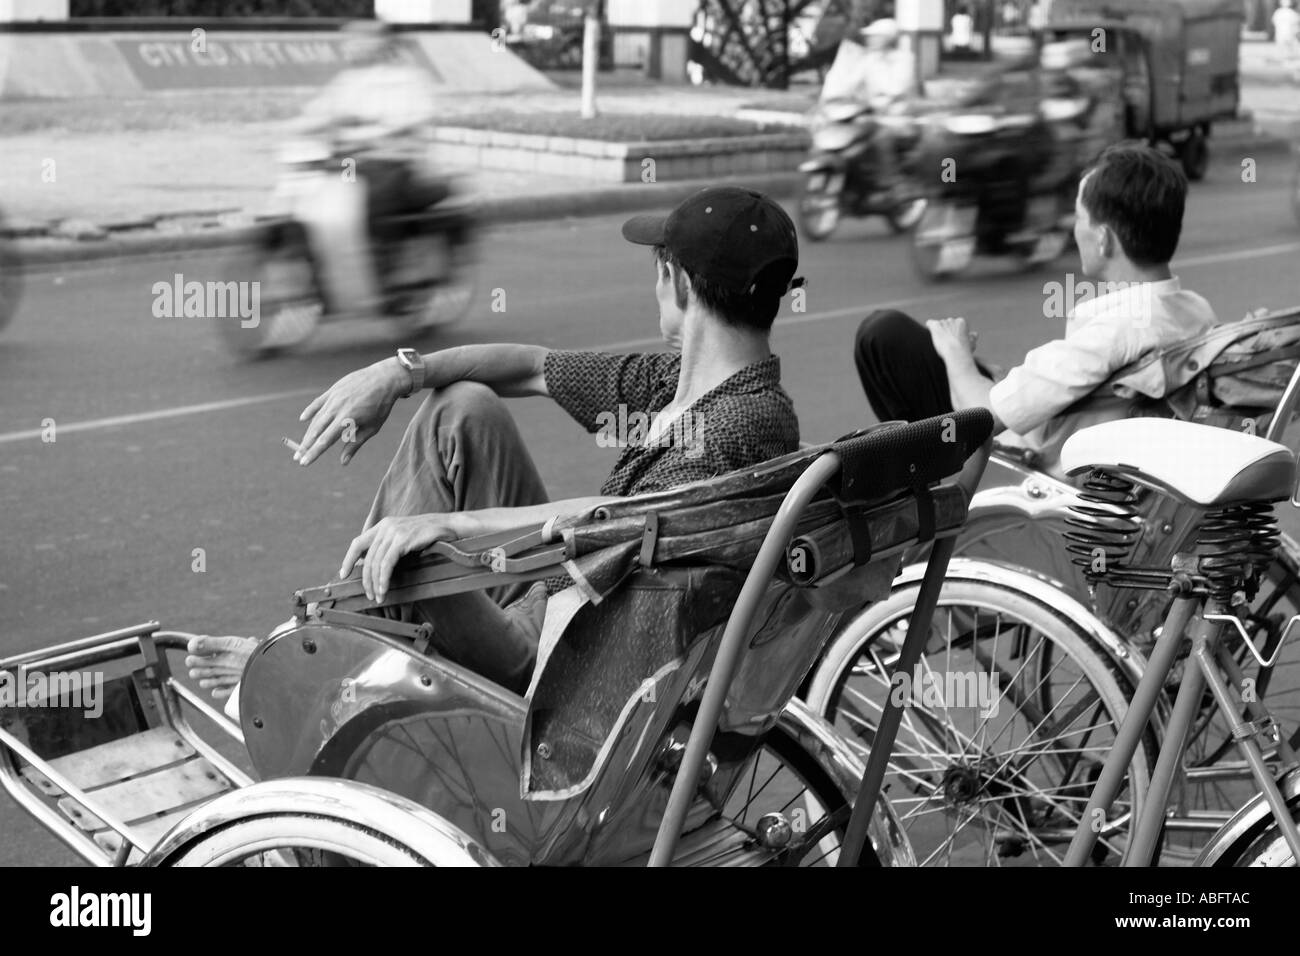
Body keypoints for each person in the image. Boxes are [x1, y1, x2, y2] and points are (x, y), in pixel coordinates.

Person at [187, 187, 804, 699]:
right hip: (560, 594)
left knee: (414, 552)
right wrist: (400, 373)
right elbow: (535, 367)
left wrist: (451, 525)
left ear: (681, 283)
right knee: (462, 408)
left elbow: (617, 522)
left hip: (570, 655)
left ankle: (305, 668)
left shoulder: (737, 427)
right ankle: (316, 638)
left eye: (658, 266)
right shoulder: (683, 384)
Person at [852, 144, 1218, 479]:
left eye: (1079, 218)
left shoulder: (1115, 333)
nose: (1075, 232)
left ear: (1104, 238)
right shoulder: (1196, 311)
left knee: (883, 337)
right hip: (1084, 433)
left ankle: (922, 500)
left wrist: (956, 354)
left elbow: (981, 415)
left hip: (1024, 465)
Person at [288, 19, 448, 317]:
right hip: (354, 164)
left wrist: (374, 131)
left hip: (397, 164)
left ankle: (387, 281)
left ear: (380, 44)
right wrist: (300, 127)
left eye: (359, 41)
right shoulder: (348, 81)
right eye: (349, 41)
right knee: (306, 207)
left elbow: (411, 120)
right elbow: (321, 113)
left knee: (368, 206)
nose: (351, 47)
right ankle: (322, 284)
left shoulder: (408, 79)